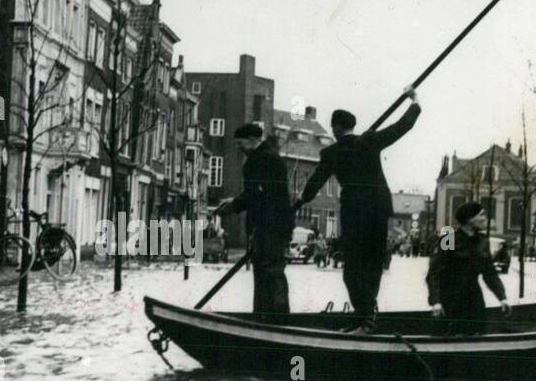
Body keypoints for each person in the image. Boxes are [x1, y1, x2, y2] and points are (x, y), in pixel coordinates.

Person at [293, 90, 422, 324]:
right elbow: (402, 126)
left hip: (354, 214)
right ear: (352, 125)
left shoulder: (331, 153)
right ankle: (367, 317)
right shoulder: (369, 141)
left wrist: (300, 200)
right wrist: (414, 102)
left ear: (335, 128)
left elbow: (314, 184)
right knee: (373, 265)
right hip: (378, 210)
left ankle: (363, 317)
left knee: (352, 269)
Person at [214, 122, 294, 315]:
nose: (238, 147)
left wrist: (235, 205)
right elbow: (261, 192)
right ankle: (268, 319)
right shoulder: (268, 156)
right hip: (272, 226)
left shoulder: (261, 159)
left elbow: (259, 194)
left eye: (240, 142)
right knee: (267, 274)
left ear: (251, 140)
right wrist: (236, 200)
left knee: (270, 274)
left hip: (270, 227)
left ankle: (275, 323)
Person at [426, 200, 510, 333]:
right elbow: (434, 273)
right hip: (450, 299)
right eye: (481, 215)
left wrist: (502, 297)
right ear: (470, 219)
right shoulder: (449, 239)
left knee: (477, 335)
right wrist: (435, 301)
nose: (485, 218)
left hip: (474, 300)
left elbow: (490, 274)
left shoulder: (483, 241)